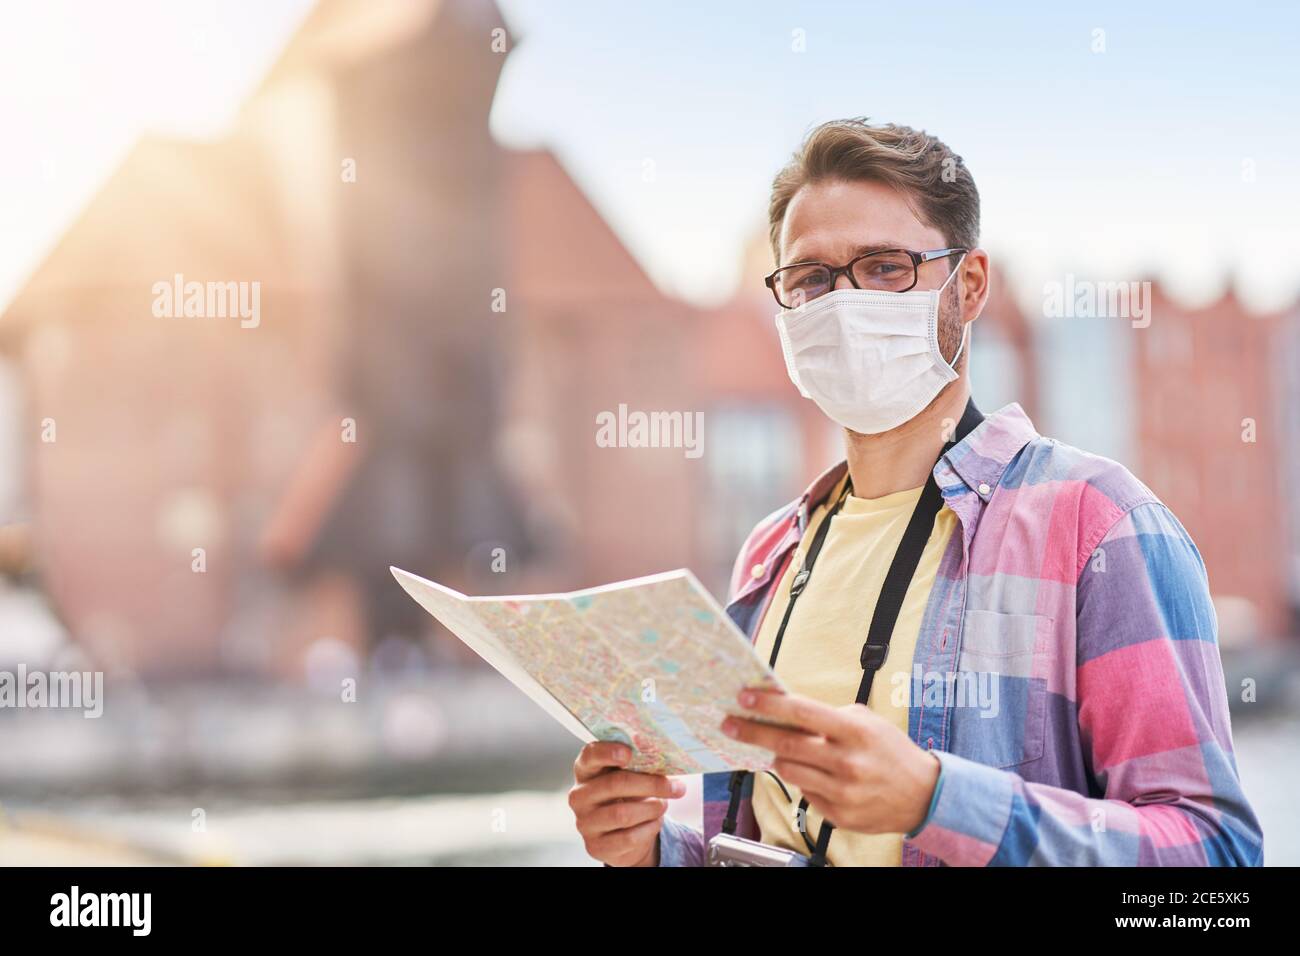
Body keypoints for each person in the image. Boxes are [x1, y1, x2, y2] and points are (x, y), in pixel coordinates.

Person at [568, 118, 1263, 867]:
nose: (842, 301)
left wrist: (938, 802)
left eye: (883, 267)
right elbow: (762, 836)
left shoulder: (1102, 527)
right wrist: (651, 851)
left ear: (967, 287)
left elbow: (1215, 861)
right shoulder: (770, 555)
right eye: (810, 278)